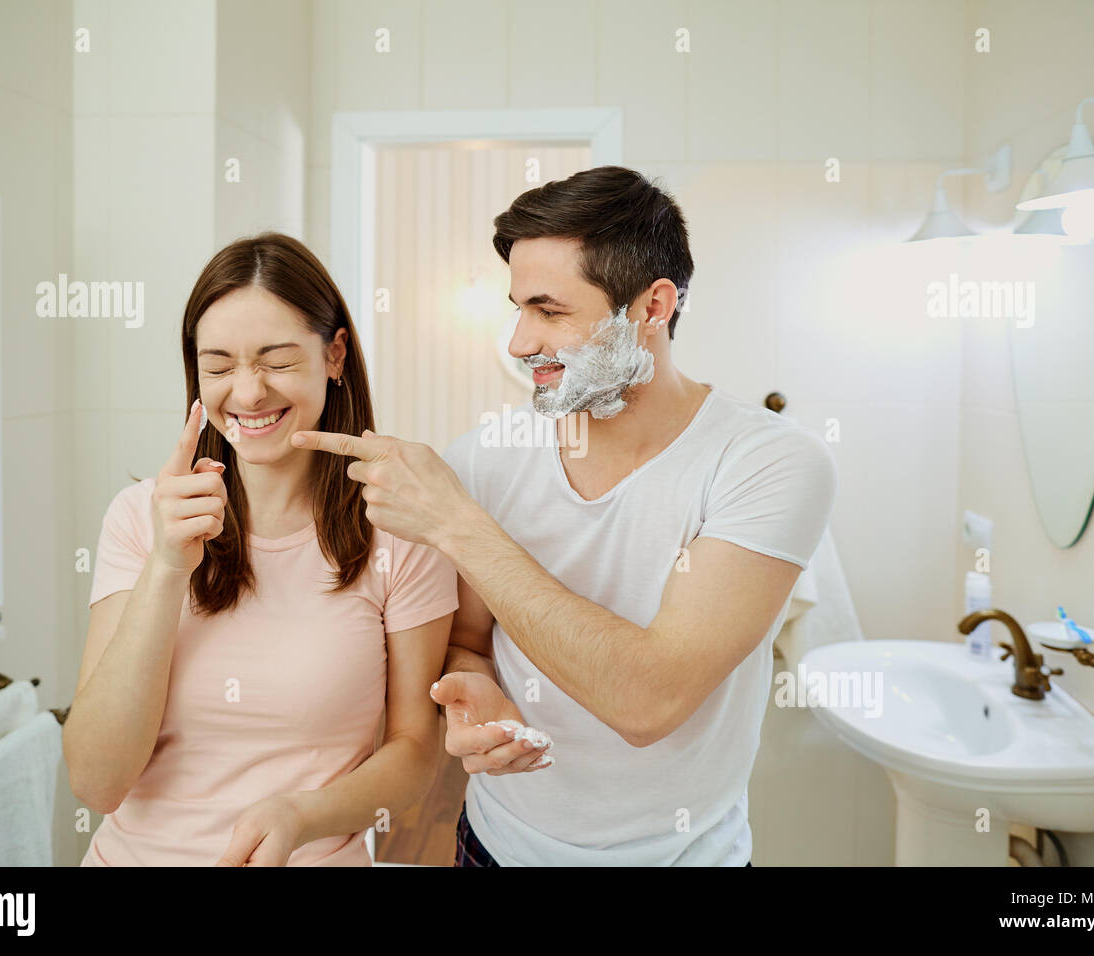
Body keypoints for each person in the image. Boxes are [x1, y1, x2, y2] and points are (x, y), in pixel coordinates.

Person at [290, 165, 839, 866]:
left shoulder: (766, 462)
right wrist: (475, 690)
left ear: (653, 306)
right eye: (518, 308)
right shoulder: (487, 458)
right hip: (496, 846)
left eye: (549, 312)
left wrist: (456, 523)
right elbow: (467, 639)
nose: (519, 343)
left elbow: (650, 699)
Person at [64, 233, 457, 866]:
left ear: (334, 355)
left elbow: (414, 753)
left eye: (275, 361)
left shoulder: (400, 530)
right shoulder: (140, 520)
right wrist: (167, 567)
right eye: (217, 367)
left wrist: (302, 816)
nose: (246, 394)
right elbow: (96, 781)